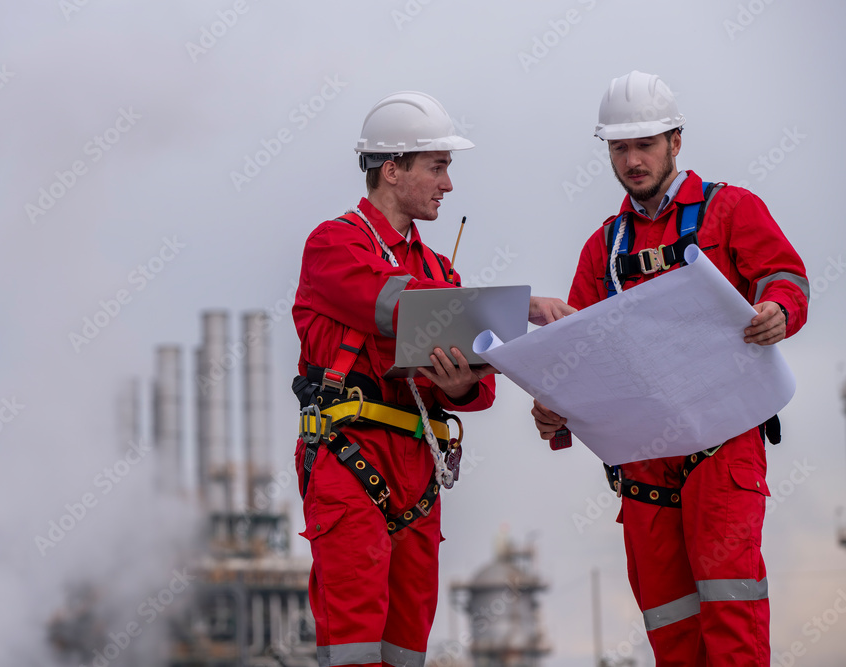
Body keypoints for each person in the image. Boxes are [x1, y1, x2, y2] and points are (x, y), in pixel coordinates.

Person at [532, 71, 810, 664]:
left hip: (724, 445)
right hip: (642, 464)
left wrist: (779, 311)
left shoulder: (730, 210)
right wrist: (553, 406)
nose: (632, 160)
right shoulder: (601, 248)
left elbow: (784, 276)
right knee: (670, 627)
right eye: (620, 148)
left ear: (676, 142)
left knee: (730, 613)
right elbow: (574, 352)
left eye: (645, 145)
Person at [293, 91, 572, 667]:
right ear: (391, 170)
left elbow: (483, 385)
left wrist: (458, 388)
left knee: (406, 647)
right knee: (355, 640)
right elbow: (394, 305)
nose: (448, 184)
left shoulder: (441, 271)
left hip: (419, 467)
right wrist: (519, 306)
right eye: (438, 167)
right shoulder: (333, 244)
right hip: (351, 457)